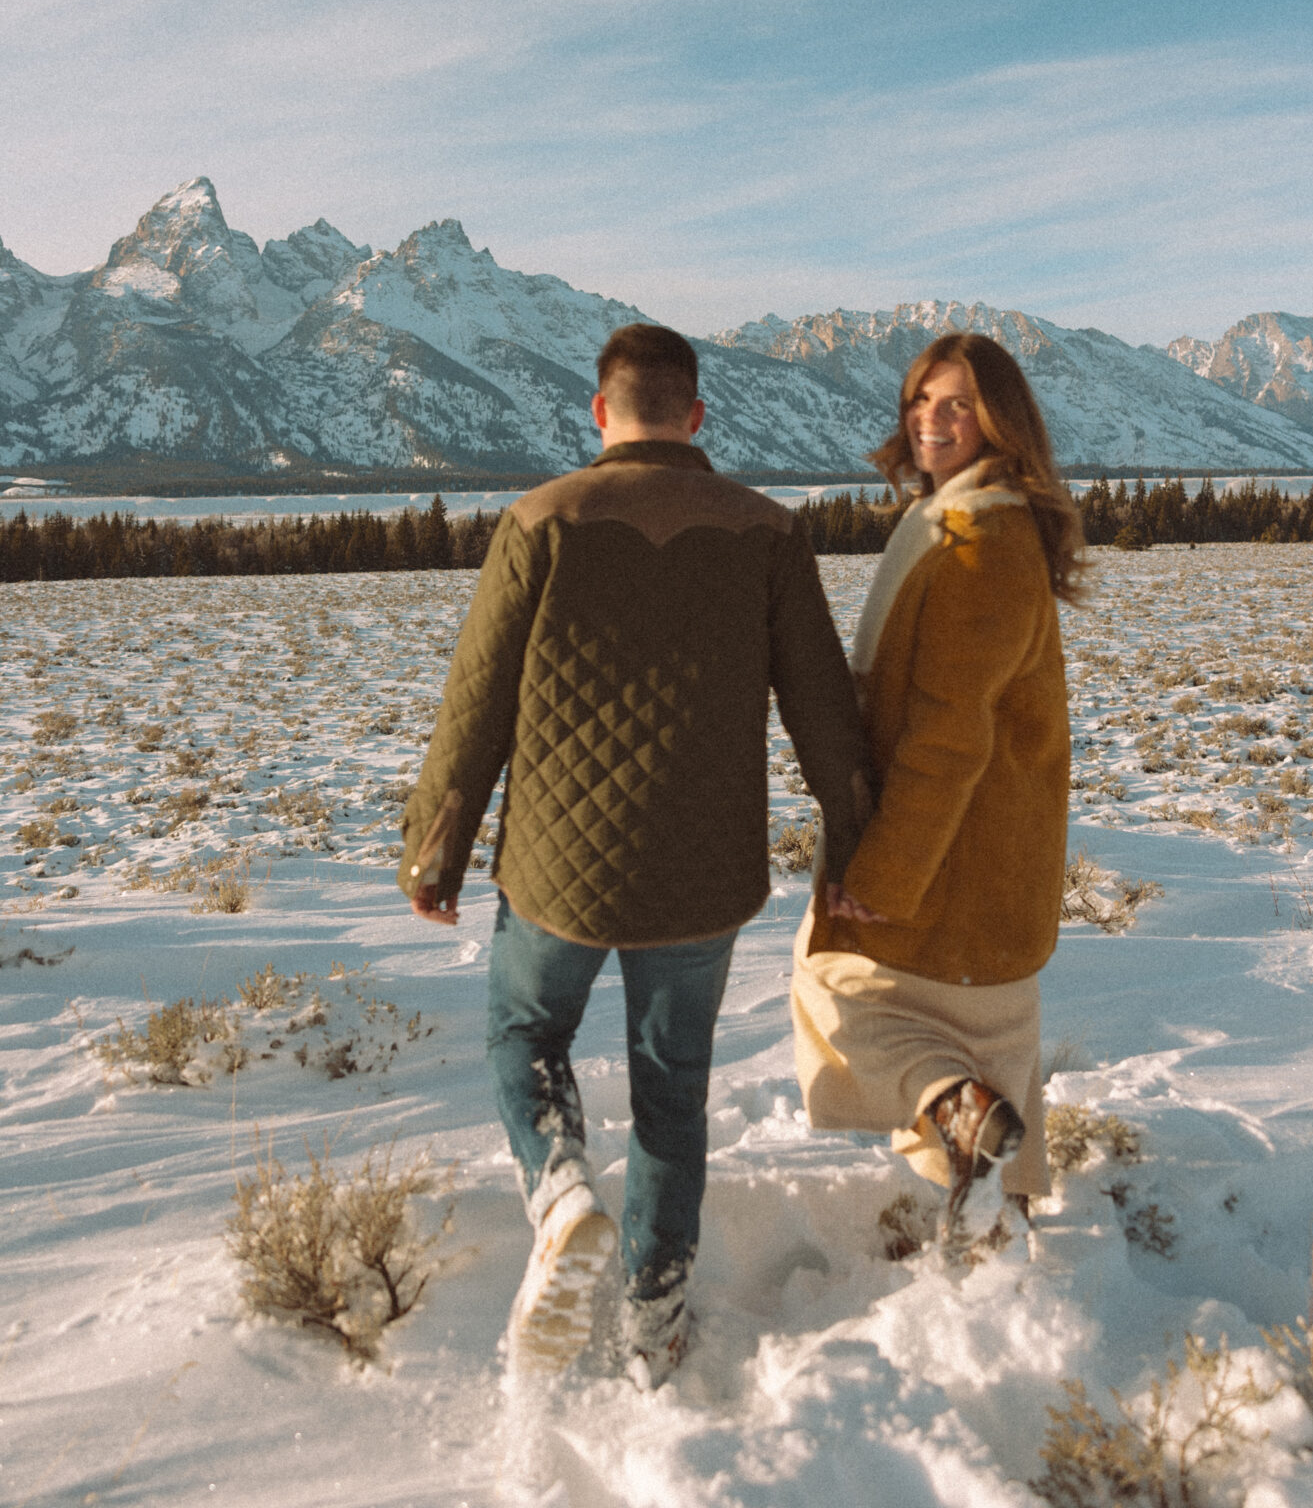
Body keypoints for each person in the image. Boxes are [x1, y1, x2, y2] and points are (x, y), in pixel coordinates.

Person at [400, 323, 868, 1384]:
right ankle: (655, 1321)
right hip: (702, 877)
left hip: (558, 868)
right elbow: (825, 714)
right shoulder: (768, 531)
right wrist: (852, 849)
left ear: (598, 413)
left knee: (521, 1032)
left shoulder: (542, 518)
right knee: (671, 1093)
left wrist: (438, 848)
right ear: (698, 417)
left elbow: (476, 702)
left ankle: (562, 1189)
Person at [791, 331, 1083, 1255]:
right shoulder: (967, 520)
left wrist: (885, 870)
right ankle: (999, 1227)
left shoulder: (978, 540)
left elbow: (949, 735)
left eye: (957, 403)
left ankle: (956, 1137)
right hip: (989, 856)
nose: (931, 419)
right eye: (922, 399)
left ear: (1000, 420)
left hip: (957, 851)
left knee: (841, 992)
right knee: (990, 1040)